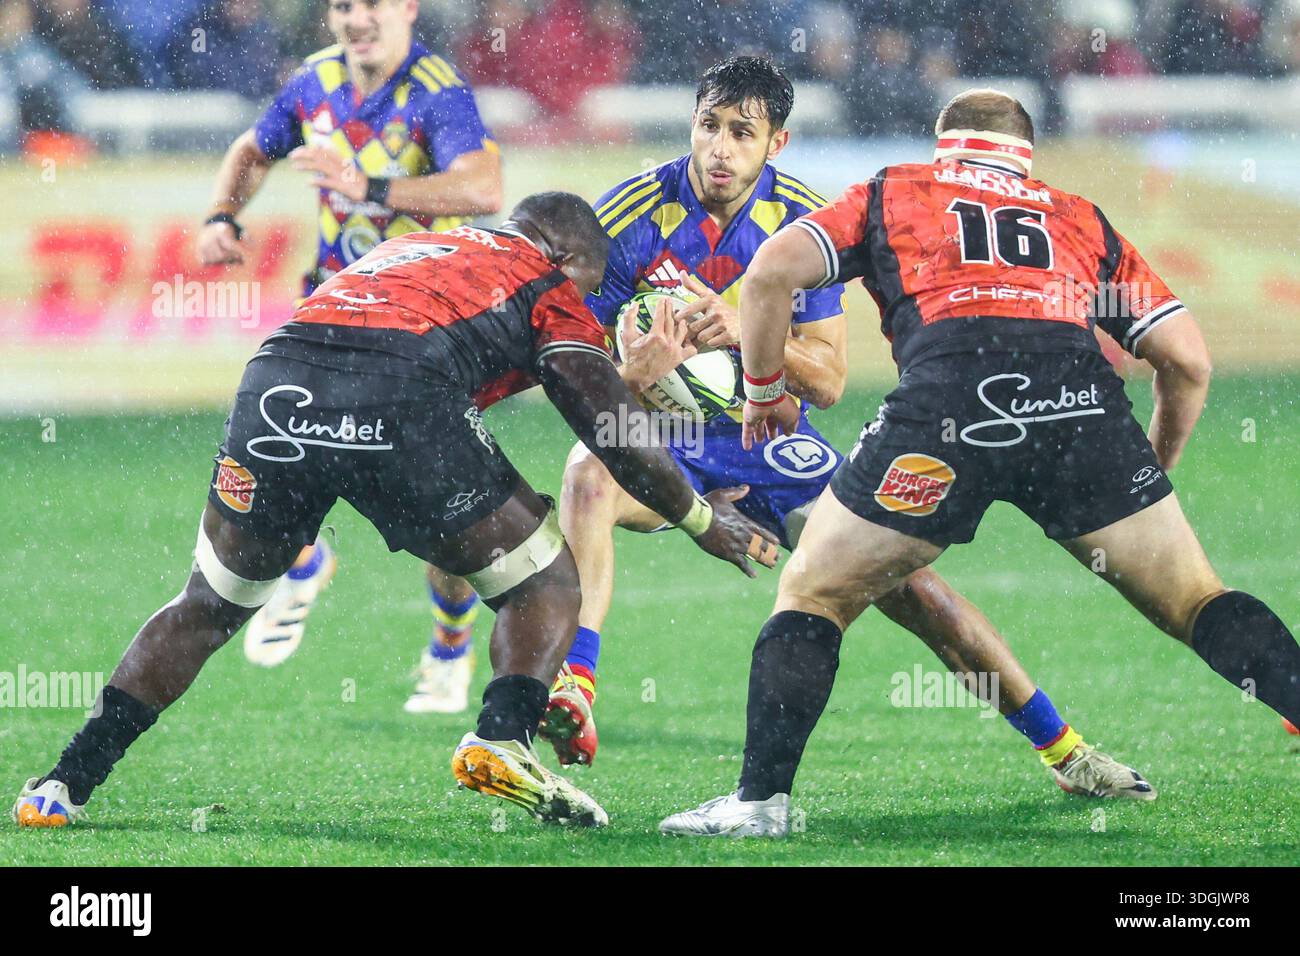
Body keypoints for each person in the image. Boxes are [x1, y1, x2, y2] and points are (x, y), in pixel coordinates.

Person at [13, 193, 778, 830]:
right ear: (568, 261)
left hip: (276, 381)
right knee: (543, 580)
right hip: (398, 396)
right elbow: (603, 424)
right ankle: (501, 737)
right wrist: (702, 519)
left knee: (210, 603)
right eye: (585, 283)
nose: (583, 299)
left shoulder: (416, 248)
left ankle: (63, 783)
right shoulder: (543, 283)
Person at [661, 89, 1300, 837]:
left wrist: (765, 390)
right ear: (1025, 155)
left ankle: (760, 804)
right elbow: (1186, 360)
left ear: (944, 146)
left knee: (814, 593)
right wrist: (1143, 474)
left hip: (946, 411)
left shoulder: (896, 189)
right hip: (1076, 413)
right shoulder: (1077, 216)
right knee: (1197, 602)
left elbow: (771, 272)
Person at [546, 58, 1152, 803]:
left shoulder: (805, 221)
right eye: (709, 127)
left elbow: (828, 380)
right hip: (658, 435)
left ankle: (1065, 749)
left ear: (779, 142)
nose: (720, 150)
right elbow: (579, 374)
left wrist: (742, 331)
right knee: (585, 471)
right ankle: (574, 684)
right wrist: (637, 372)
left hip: (765, 439)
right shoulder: (629, 212)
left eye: (743, 133)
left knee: (914, 586)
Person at [195, 0, 504, 713]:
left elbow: (484, 187)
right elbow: (252, 149)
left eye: (371, 4)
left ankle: (450, 645)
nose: (355, 19)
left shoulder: (437, 91)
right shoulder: (314, 81)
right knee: (276, 448)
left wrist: (373, 189)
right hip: (331, 312)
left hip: (427, 326)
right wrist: (222, 215)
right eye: (341, 5)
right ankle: (305, 563)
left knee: (445, 511)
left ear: (405, 8)